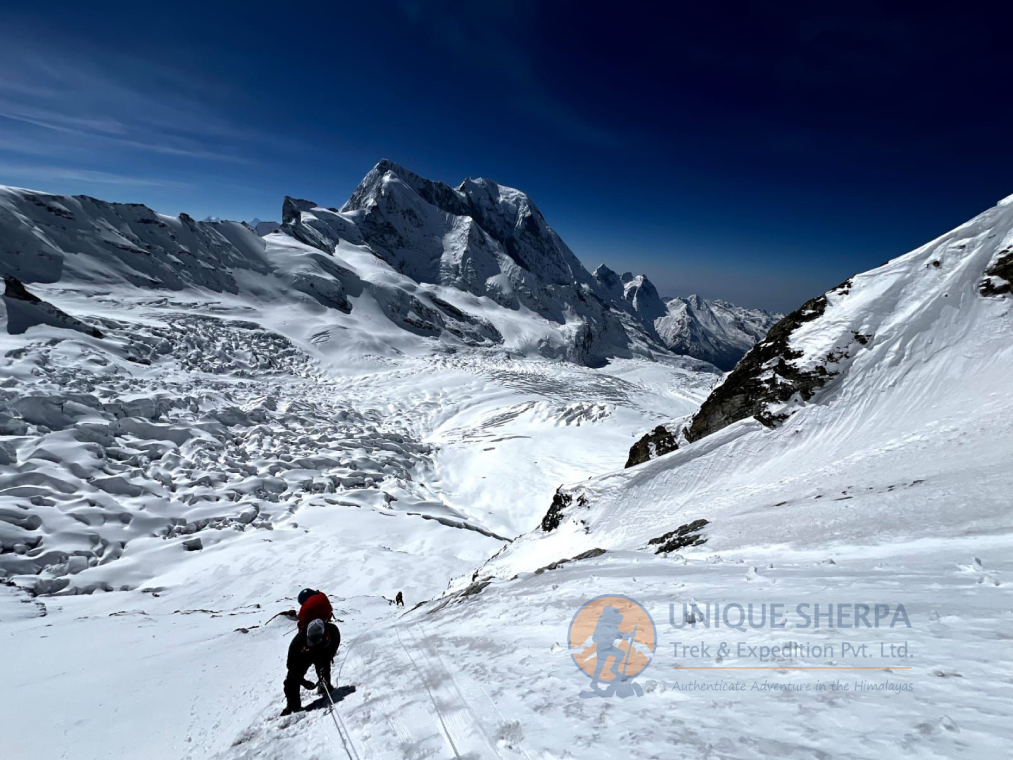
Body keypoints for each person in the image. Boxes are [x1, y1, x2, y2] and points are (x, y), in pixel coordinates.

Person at [281, 618, 340, 716]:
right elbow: (291, 666)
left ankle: (325, 685)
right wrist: (303, 681)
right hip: (304, 656)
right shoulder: (297, 642)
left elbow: (335, 641)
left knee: (324, 667)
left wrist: (330, 654)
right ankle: (293, 706)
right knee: (291, 681)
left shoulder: (332, 630)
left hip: (322, 651)